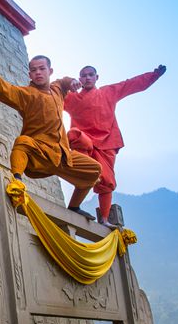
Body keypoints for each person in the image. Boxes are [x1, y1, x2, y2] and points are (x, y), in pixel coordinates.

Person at [0, 56, 102, 219]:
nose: (38, 73)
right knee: (22, 141)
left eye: (42, 69)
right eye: (34, 70)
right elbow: (5, 90)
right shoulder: (26, 94)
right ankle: (16, 181)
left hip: (63, 155)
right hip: (39, 152)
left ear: (50, 71)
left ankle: (74, 206)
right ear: (30, 75)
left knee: (95, 170)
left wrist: (73, 81)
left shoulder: (57, 88)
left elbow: (65, 81)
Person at [64, 64, 166, 224]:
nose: (87, 78)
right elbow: (51, 96)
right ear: (79, 79)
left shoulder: (108, 92)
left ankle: (104, 219)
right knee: (78, 146)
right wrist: (66, 84)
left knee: (107, 181)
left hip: (106, 143)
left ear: (97, 77)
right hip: (84, 142)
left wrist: (154, 75)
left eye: (91, 74)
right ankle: (77, 191)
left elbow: (130, 85)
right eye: (83, 75)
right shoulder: (71, 98)